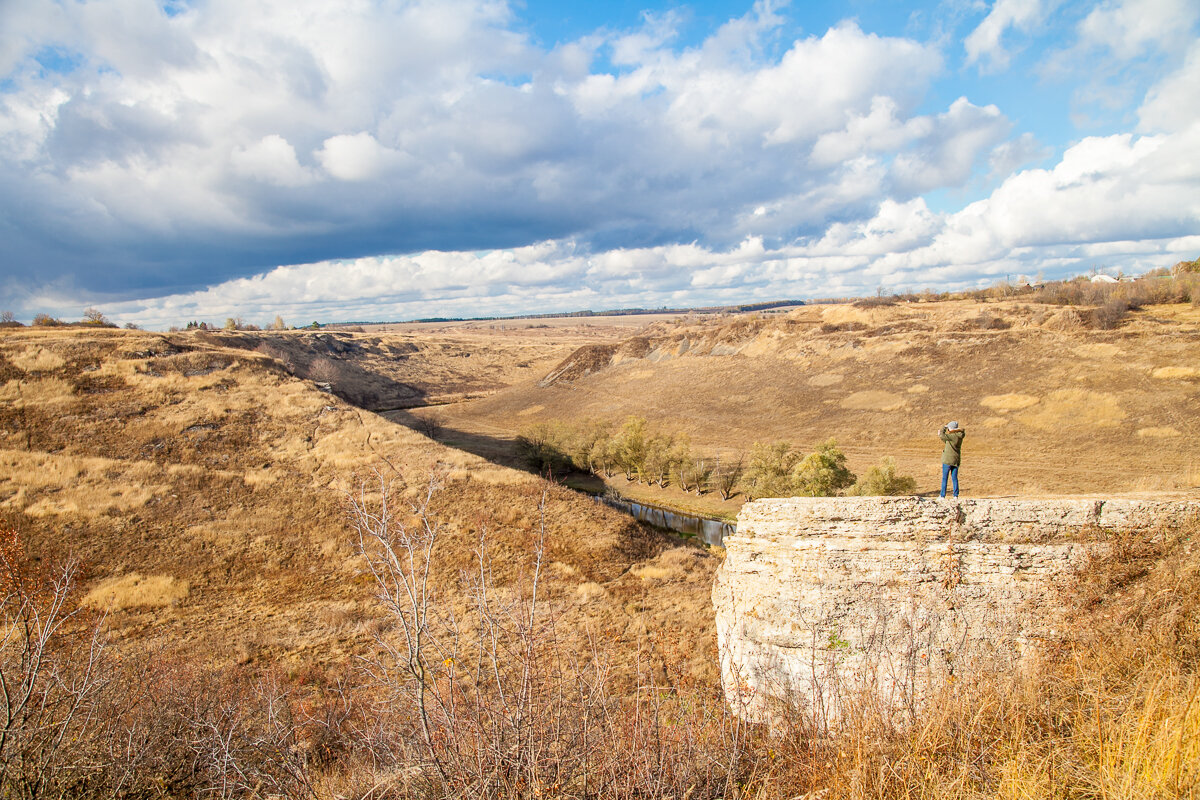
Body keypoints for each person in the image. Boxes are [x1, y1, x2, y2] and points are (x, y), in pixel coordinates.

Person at [939, 421, 965, 498]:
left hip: (948, 459)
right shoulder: (959, 436)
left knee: (945, 478)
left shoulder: (952, 436)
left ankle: (942, 495)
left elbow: (942, 435)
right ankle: (955, 495)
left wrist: (944, 428)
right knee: (954, 478)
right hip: (956, 459)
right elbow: (947, 442)